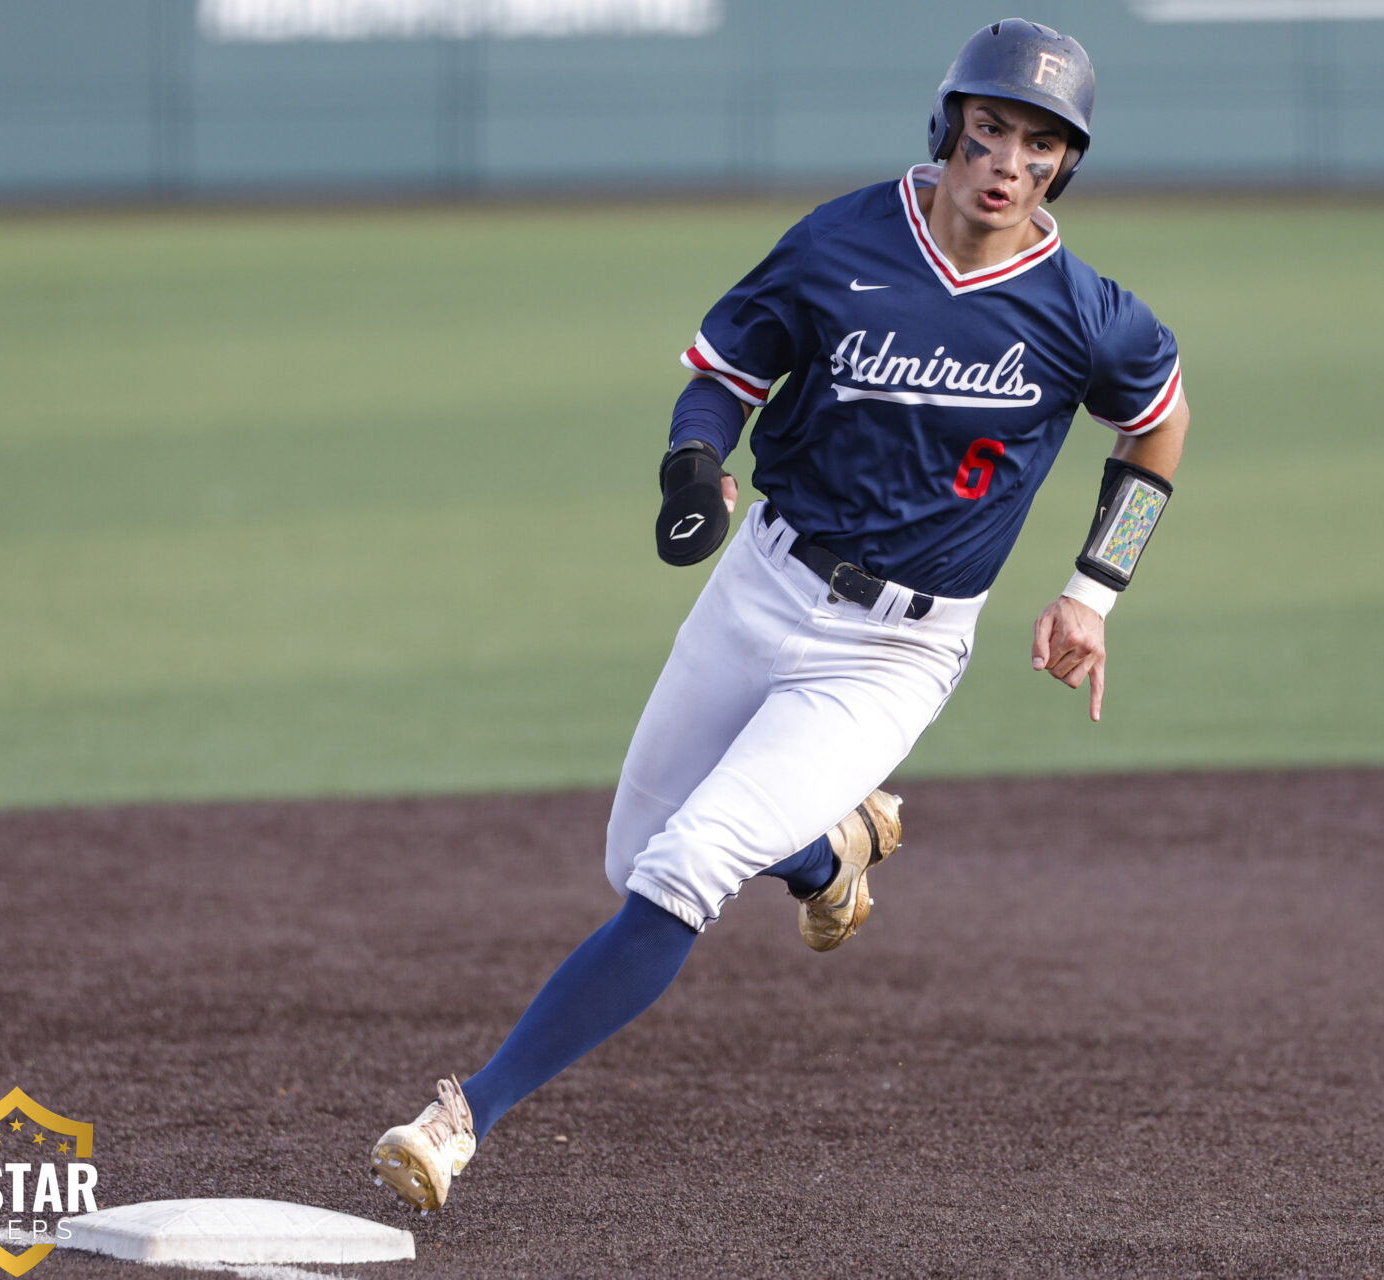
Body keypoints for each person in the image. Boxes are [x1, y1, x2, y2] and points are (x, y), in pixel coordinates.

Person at [367, 18, 1190, 1214]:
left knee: (690, 866)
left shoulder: (1084, 312)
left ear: (1067, 164)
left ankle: (461, 1117)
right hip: (761, 584)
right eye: (993, 125)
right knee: (633, 858)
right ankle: (827, 847)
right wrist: (693, 465)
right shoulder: (843, 239)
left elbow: (1157, 417)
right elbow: (724, 378)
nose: (1008, 159)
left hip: (898, 645)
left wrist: (1093, 588)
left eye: (1041, 142)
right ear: (952, 124)